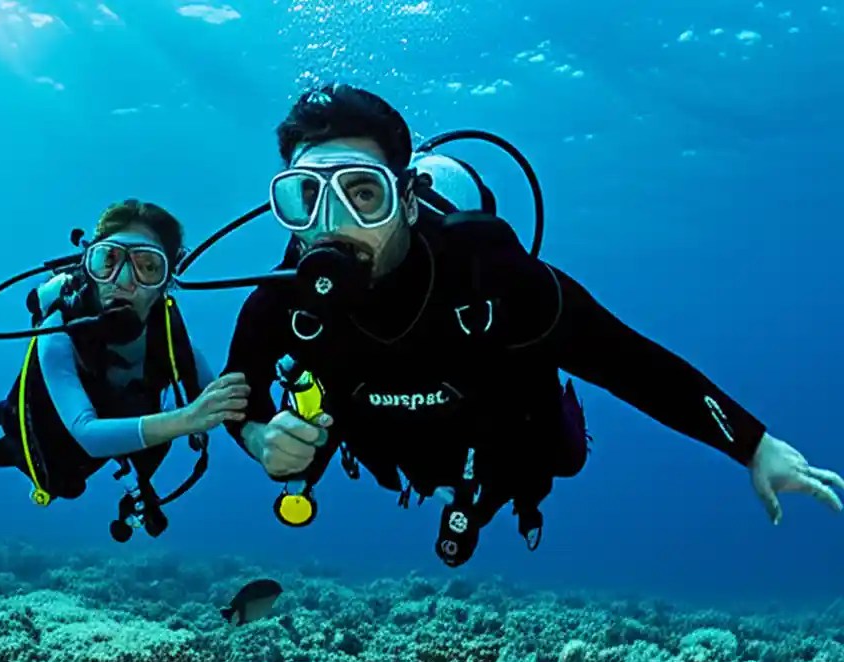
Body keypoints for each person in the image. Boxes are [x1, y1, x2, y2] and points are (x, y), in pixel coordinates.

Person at [219, 83, 843, 566]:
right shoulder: (281, 306)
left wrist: (754, 446)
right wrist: (258, 443)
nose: (333, 223)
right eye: (306, 196)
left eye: (364, 194)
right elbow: (236, 396)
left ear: (407, 200)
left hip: (500, 431)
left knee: (562, 458)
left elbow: (627, 360)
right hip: (386, 440)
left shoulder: (490, 272)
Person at [0, 199, 249, 541]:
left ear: (167, 279)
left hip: (109, 445)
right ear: (88, 265)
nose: (123, 280)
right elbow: (86, 433)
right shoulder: (59, 327)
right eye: (108, 260)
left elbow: (228, 404)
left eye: (148, 266)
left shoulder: (171, 339)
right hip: (28, 435)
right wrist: (189, 418)